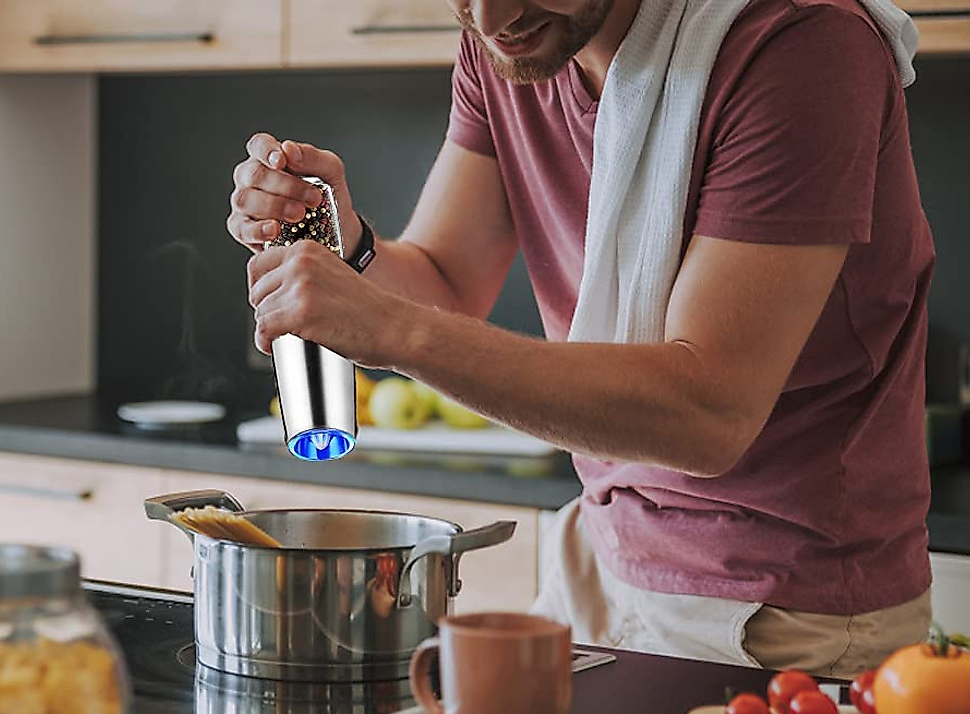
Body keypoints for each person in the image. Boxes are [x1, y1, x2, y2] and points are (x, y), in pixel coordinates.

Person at [226, 0, 935, 679]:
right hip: (600, 557)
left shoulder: (804, 45)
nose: (492, 17)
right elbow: (444, 279)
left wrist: (389, 328)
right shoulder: (507, 45)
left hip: (782, 611)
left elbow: (708, 415)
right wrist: (347, 242)